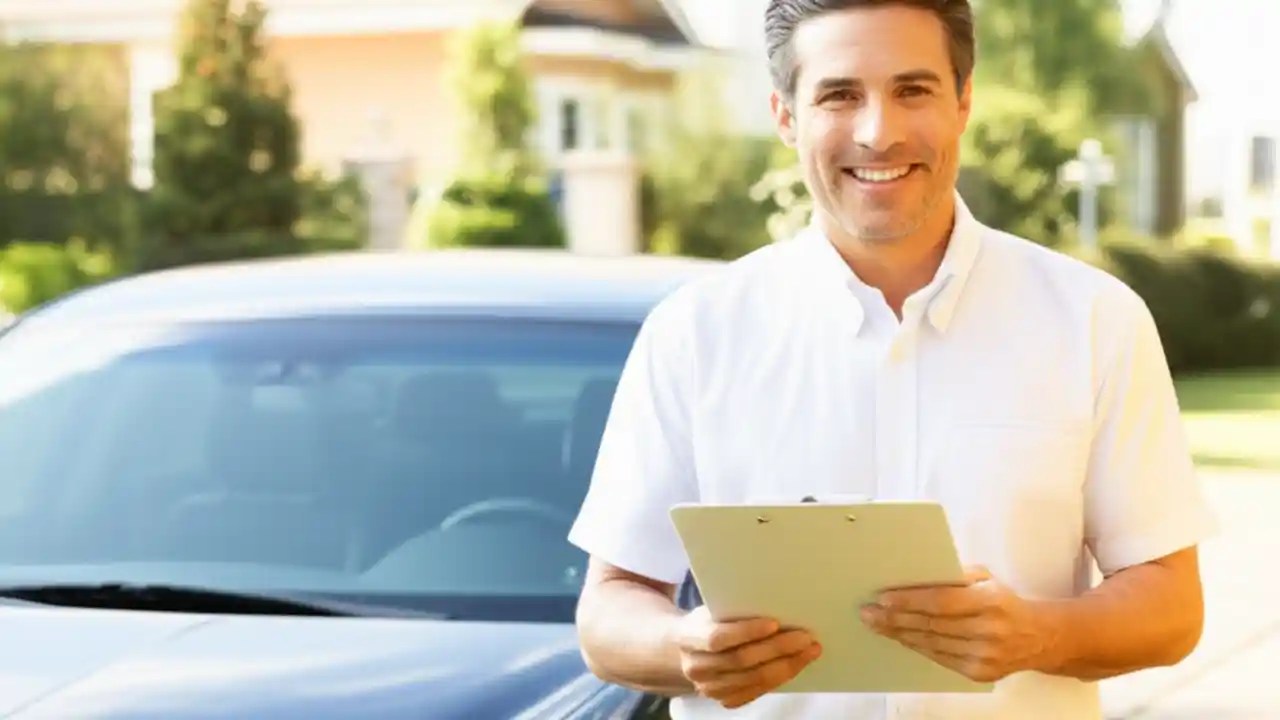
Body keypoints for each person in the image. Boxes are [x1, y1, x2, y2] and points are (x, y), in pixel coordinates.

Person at [567, 1, 1218, 718]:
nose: (879, 132)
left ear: (964, 101)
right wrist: (684, 648)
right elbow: (609, 612)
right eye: (840, 94)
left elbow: (1171, 605)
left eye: (914, 90)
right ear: (785, 115)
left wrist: (1037, 636)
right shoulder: (693, 333)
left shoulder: (1095, 319)